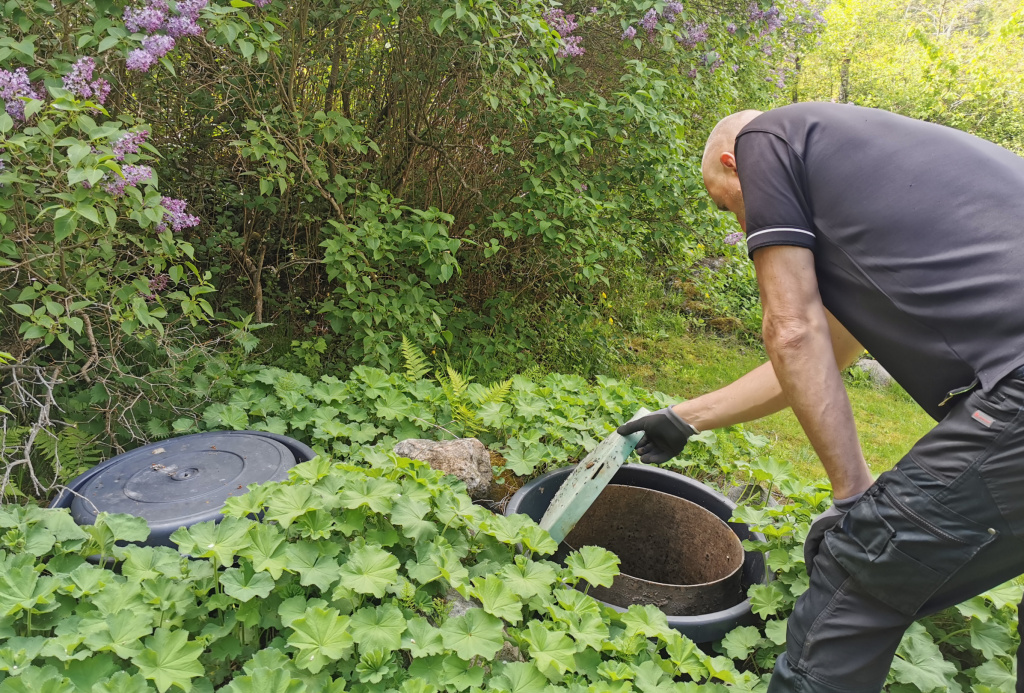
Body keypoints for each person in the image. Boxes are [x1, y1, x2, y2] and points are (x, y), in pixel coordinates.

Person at [617, 102, 1024, 693]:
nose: (743, 227)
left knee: (860, 573)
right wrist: (685, 418)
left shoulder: (767, 139)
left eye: (728, 205)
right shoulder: (886, 186)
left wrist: (854, 498)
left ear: (734, 164)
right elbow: (823, 351)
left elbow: (791, 330)